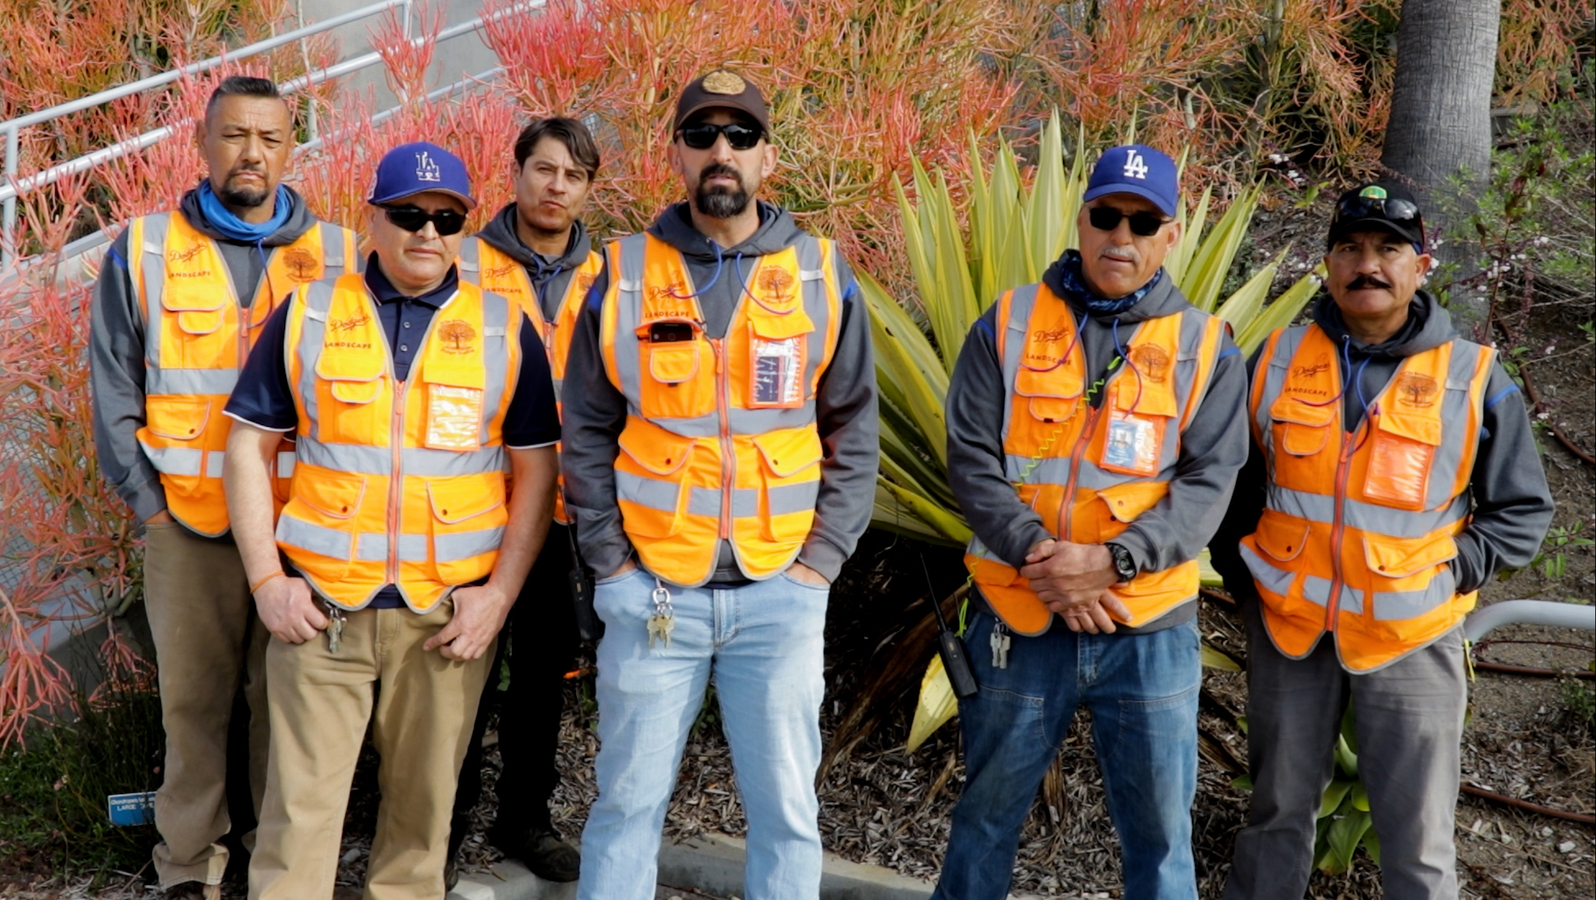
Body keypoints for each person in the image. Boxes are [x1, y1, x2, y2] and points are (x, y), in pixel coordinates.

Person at [559, 69, 878, 899]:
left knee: (785, 811)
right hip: (655, 593)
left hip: (781, 592)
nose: (721, 152)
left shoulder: (820, 273)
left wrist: (820, 567)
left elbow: (855, 431)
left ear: (768, 156)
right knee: (627, 804)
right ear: (677, 154)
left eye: (739, 136)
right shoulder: (622, 273)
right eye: (702, 135)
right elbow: (586, 431)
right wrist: (612, 566)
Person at [222, 142, 561, 899]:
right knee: (295, 828)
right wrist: (267, 582)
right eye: (408, 214)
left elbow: (537, 472)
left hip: (446, 621)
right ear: (371, 218)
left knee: (420, 830)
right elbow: (247, 446)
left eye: (446, 219)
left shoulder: (505, 329)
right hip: (322, 615)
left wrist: (498, 597)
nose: (427, 233)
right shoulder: (308, 312)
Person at [1213, 182, 1554, 900]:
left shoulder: (1475, 377)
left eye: (1388, 248)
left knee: (1418, 838)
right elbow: (1230, 485)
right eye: (1350, 247)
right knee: (1275, 815)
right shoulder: (1272, 359)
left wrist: (1455, 568)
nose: (1368, 264)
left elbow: (1521, 509)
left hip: (1411, 634)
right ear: (1329, 263)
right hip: (1291, 631)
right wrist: (1245, 580)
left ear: (1421, 264)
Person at [934, 144, 1249, 900]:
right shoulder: (1006, 322)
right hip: (1019, 620)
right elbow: (970, 460)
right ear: (1079, 218)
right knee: (984, 818)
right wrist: (1048, 564)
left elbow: (1211, 485)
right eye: (1106, 215)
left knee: (1161, 839)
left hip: (1147, 631)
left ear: (1171, 236)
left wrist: (1112, 564)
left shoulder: (1205, 347)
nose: (1122, 235)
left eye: (1144, 223)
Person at [88, 75, 358, 900]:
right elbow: (112, 388)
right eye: (235, 136)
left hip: (302, 533)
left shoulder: (343, 257)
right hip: (192, 530)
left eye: (270, 138)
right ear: (202, 146)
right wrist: (152, 504)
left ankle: (280, 874)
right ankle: (188, 872)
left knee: (292, 720)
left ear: (290, 148)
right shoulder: (143, 250)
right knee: (194, 713)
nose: (252, 153)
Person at [448, 116, 605, 884]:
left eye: (573, 177)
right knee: (459, 674)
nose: (556, 187)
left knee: (543, 679)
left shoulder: (606, 277)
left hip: (564, 515)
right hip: (472, 508)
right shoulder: (464, 260)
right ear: (515, 173)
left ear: (587, 189)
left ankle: (524, 821)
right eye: (544, 170)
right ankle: (439, 825)